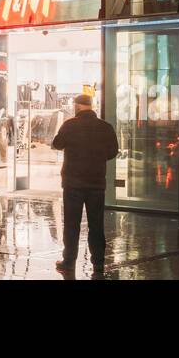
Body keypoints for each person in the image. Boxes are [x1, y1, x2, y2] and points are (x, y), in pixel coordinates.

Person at [51, 94, 119, 277]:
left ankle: (69, 261)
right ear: (91, 106)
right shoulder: (105, 127)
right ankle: (98, 264)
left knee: (71, 224)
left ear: (77, 106)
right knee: (96, 225)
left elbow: (57, 144)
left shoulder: (70, 125)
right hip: (96, 183)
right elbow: (113, 151)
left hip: (73, 183)